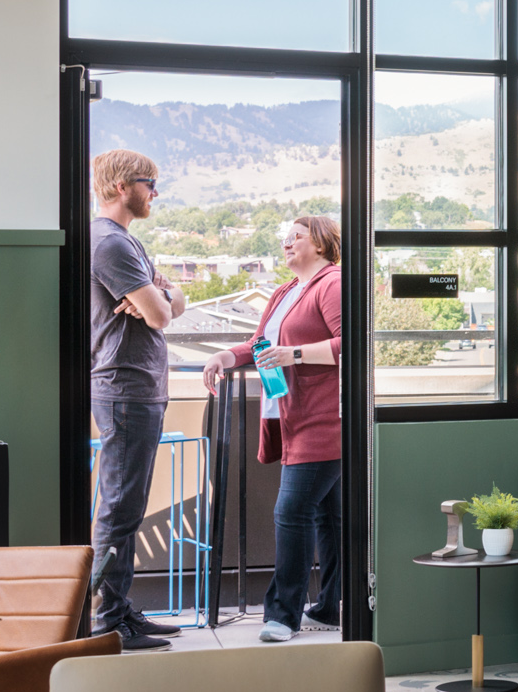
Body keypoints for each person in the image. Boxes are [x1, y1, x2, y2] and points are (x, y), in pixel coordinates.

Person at [204, 214, 346, 642]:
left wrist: (295, 355)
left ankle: (282, 616)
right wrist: (224, 358)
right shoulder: (287, 291)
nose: (286, 244)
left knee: (291, 512)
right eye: (284, 239)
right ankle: (330, 607)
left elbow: (352, 341)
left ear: (320, 243)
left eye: (296, 238)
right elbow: (262, 344)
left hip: (325, 421)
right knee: (328, 516)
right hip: (294, 416)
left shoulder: (334, 283)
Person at [89, 148, 185, 650]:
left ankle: (120, 609)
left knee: (126, 507)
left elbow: (170, 302)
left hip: (139, 388)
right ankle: (106, 620)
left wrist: (160, 298)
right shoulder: (111, 244)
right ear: (124, 185)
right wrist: (159, 300)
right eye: (151, 183)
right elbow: (165, 315)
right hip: (125, 388)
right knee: (120, 509)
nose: (155, 193)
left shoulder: (125, 242)